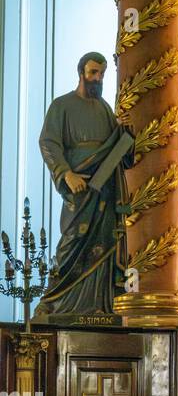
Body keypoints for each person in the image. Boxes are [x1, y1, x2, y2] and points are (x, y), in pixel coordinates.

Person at [35, 52, 134, 323]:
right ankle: (54, 300)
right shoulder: (62, 106)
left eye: (102, 73)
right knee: (73, 241)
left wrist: (126, 131)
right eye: (93, 72)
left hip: (104, 189)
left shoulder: (104, 108)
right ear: (81, 73)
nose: (97, 78)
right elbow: (49, 143)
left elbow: (118, 148)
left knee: (102, 244)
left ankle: (98, 307)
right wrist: (65, 173)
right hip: (79, 189)